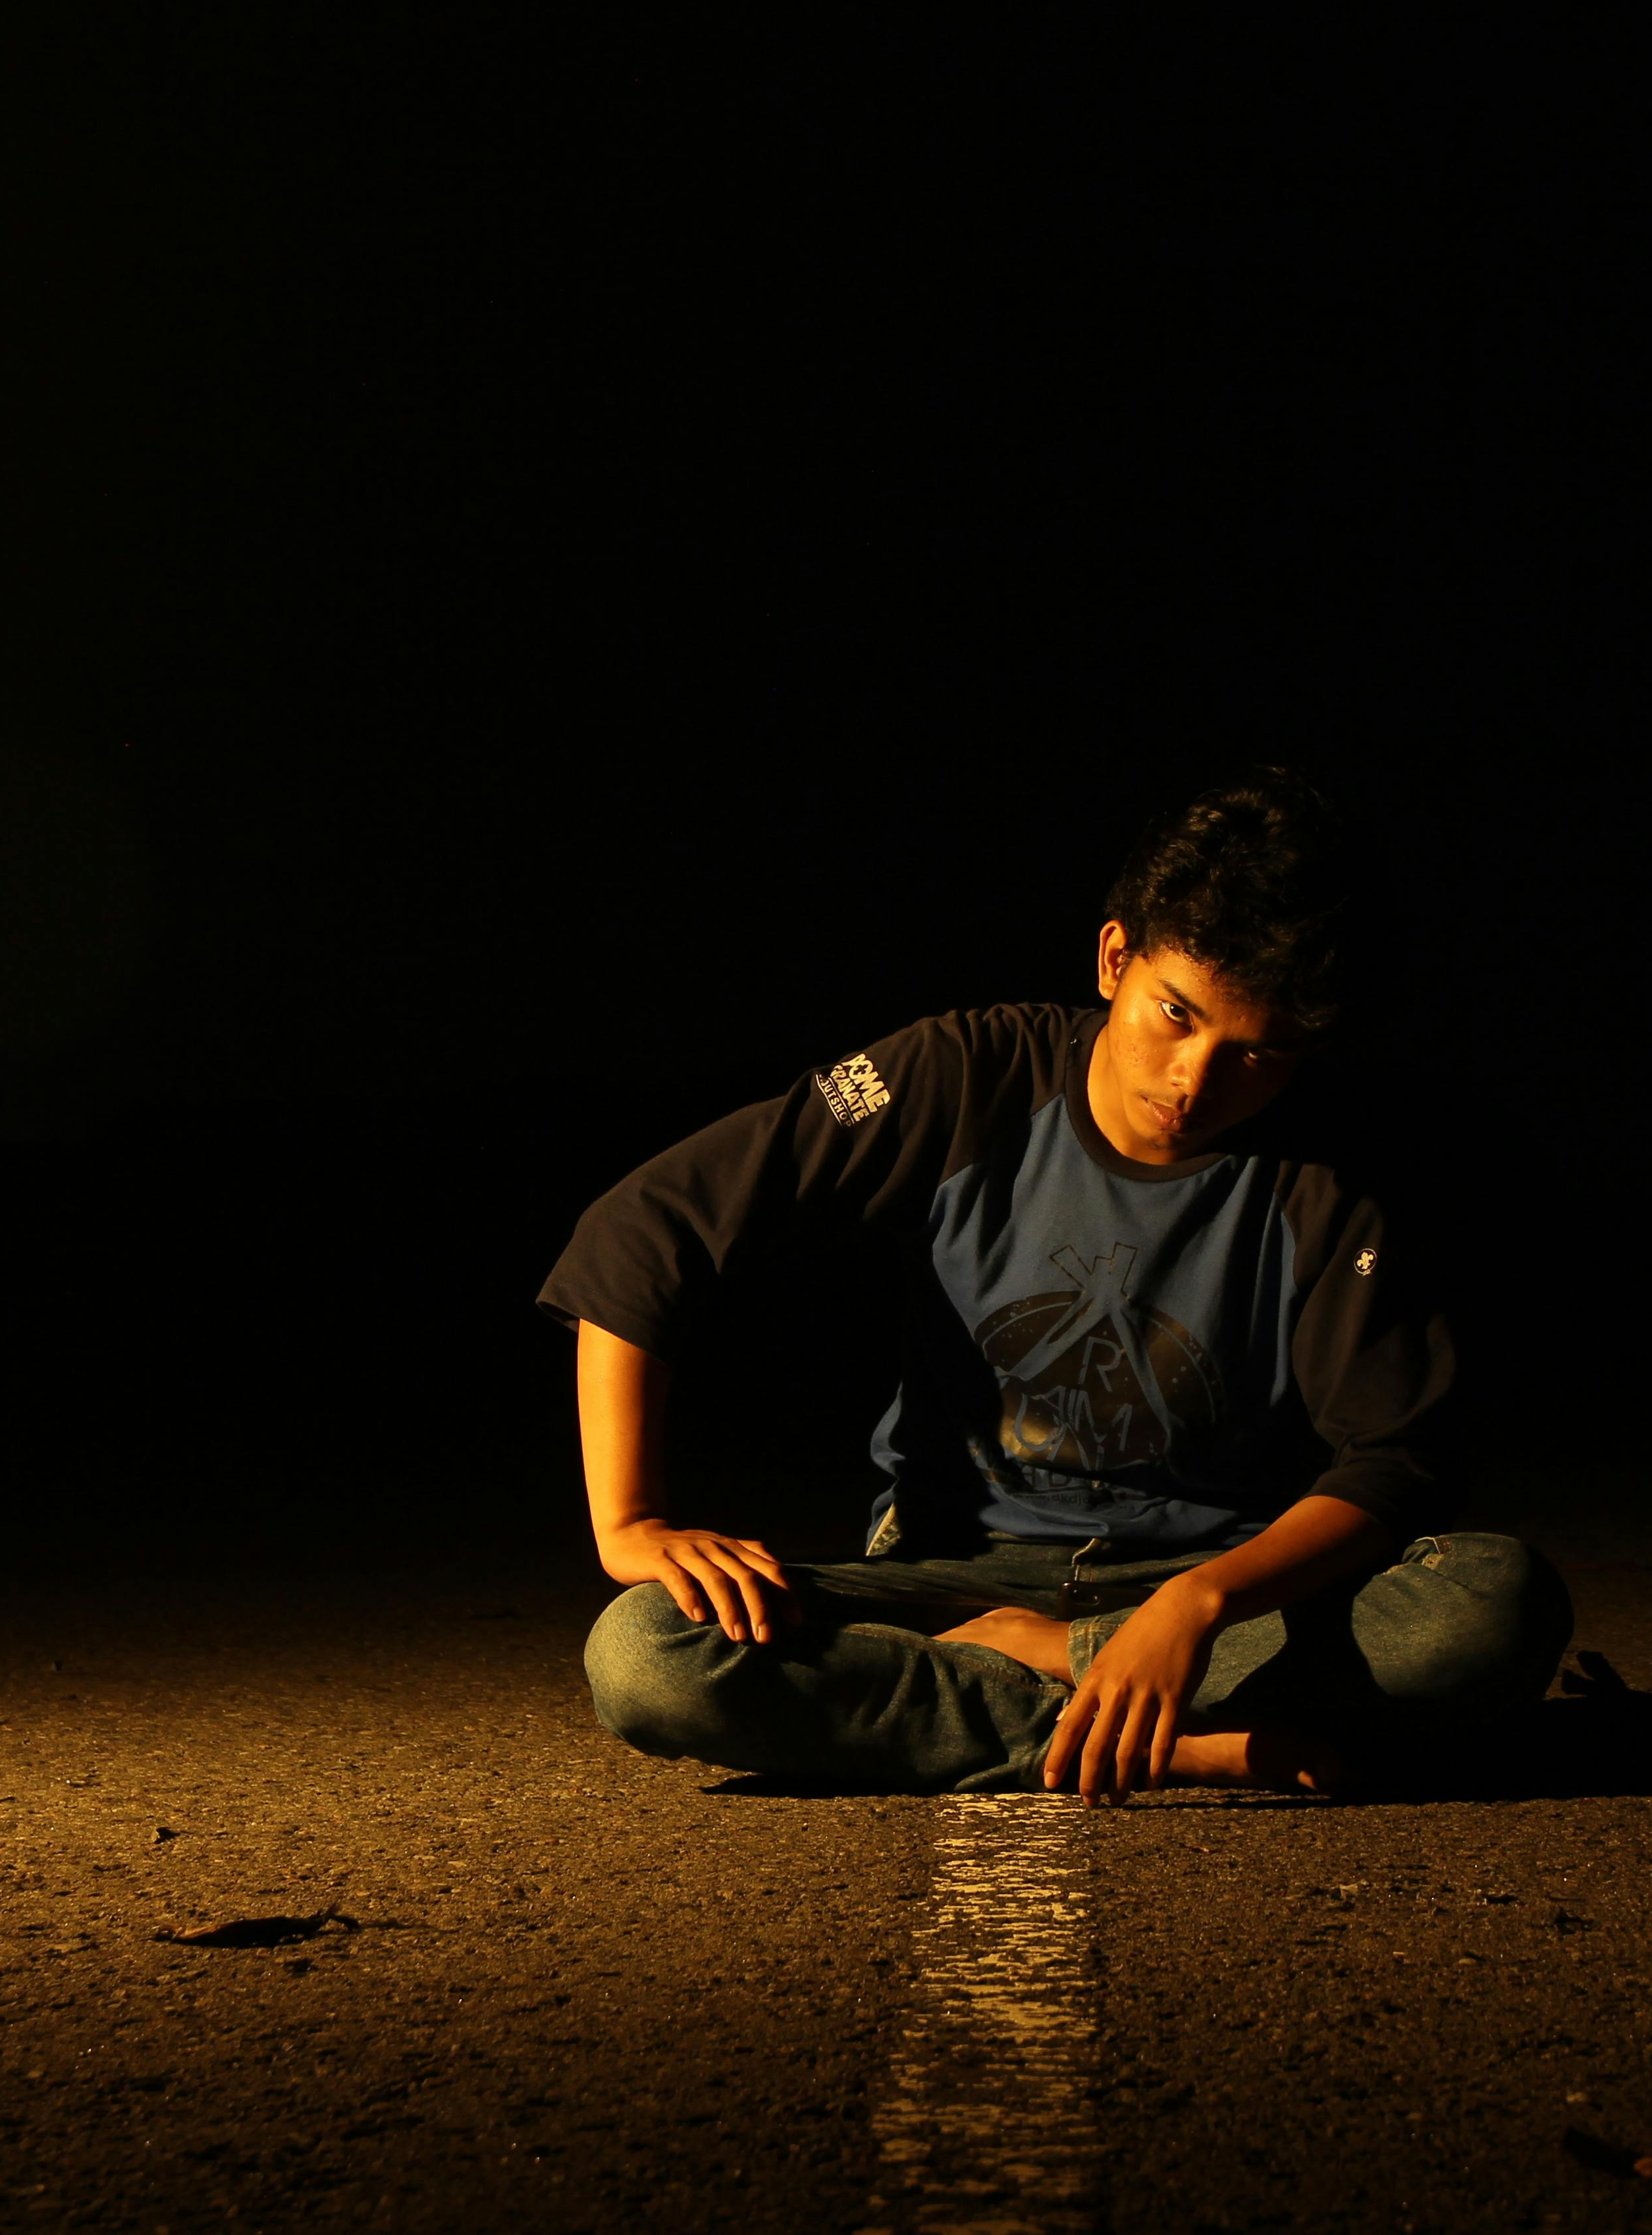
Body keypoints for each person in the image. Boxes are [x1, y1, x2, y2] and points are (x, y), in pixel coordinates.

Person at [540, 769, 1570, 1800]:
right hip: (949, 1577)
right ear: (1115, 957)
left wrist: (1192, 1607)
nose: (1196, 1080)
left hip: (1215, 1588)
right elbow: (652, 1224)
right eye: (1176, 1013)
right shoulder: (966, 1074)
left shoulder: (1337, 1175)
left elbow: (1396, 1462)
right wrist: (631, 1521)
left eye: (1257, 1054)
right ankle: (1137, 1737)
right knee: (647, 1653)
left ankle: (1043, 1672)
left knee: (1494, 1604)